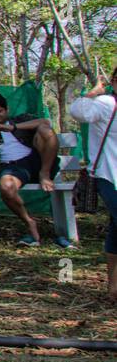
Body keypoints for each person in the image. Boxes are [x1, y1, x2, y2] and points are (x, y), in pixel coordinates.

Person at [0, 92, 63, 247]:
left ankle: (45, 173)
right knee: (6, 187)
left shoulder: (21, 120)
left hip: (35, 161)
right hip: (11, 167)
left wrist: (12, 127)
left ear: (6, 109)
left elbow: (45, 122)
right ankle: (29, 222)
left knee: (45, 130)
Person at [69, 66, 117, 300]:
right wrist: (93, 92)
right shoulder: (107, 103)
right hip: (110, 175)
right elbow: (78, 111)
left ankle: (112, 288)